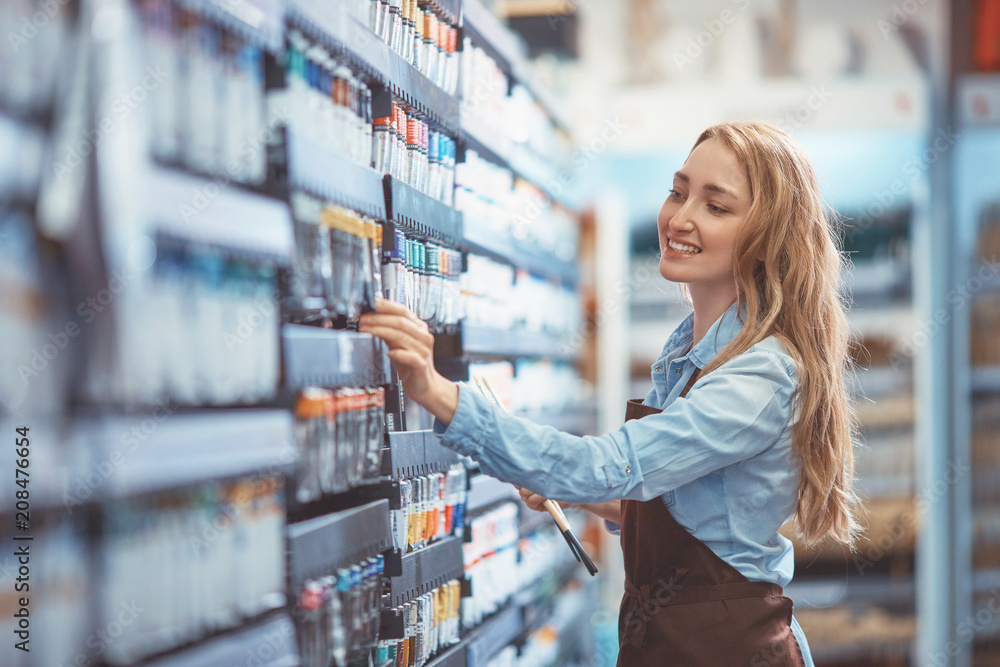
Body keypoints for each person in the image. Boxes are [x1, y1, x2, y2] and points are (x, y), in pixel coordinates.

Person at [359, 121, 860, 667]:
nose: (680, 217)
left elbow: (611, 464)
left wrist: (435, 391)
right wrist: (578, 496)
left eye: (717, 207)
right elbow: (695, 507)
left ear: (767, 238)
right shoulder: (688, 354)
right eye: (679, 192)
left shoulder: (759, 377)